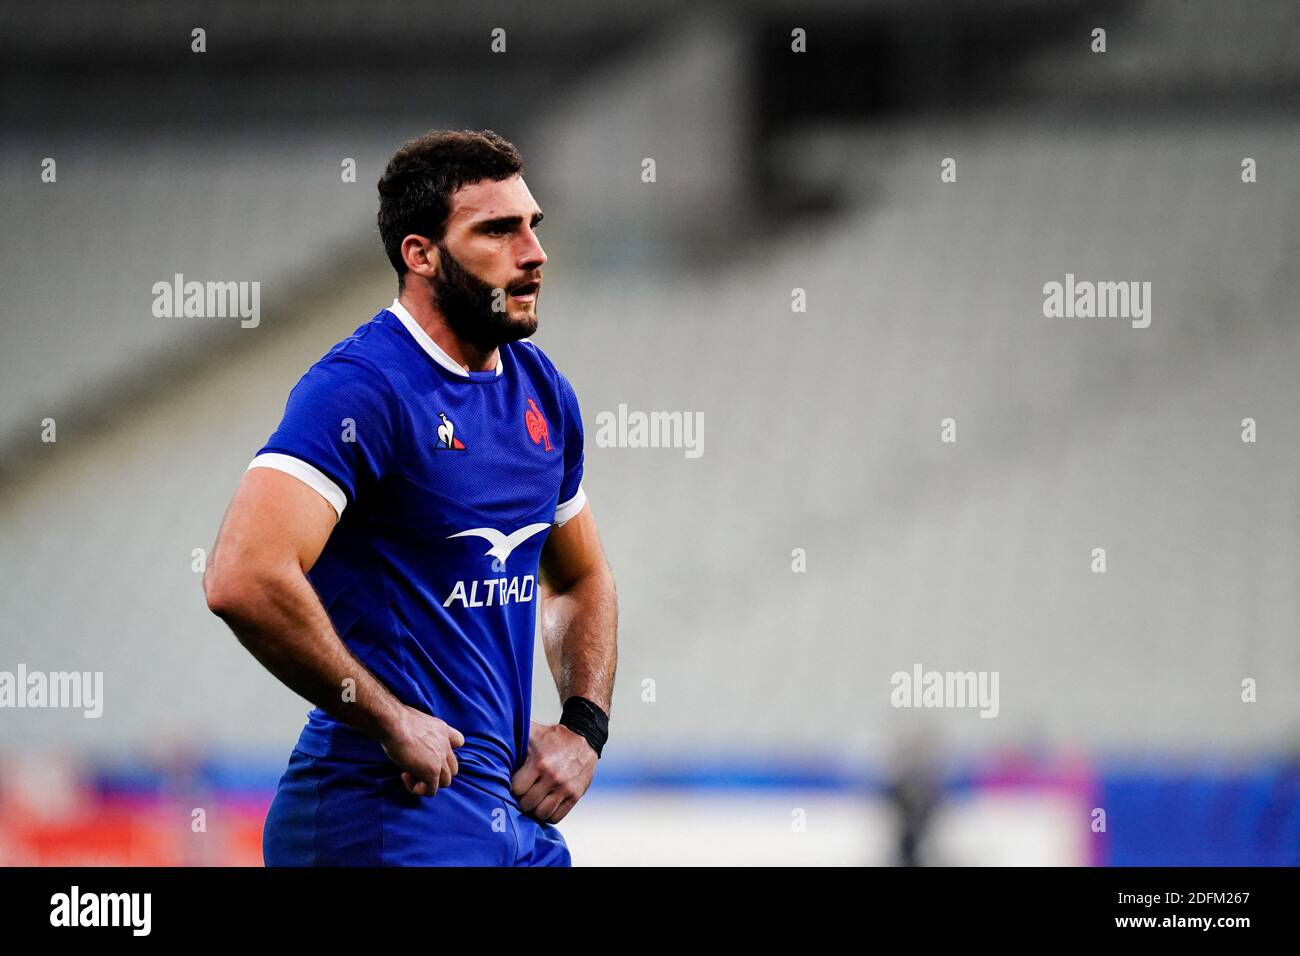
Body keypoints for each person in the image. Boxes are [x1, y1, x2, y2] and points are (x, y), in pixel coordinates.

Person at [204, 129, 618, 866]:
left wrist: (583, 727)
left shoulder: (540, 390)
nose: (533, 252)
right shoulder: (364, 387)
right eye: (497, 230)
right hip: (388, 812)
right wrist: (392, 719)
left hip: (506, 814)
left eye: (533, 226)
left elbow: (579, 578)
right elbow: (242, 576)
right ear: (420, 254)